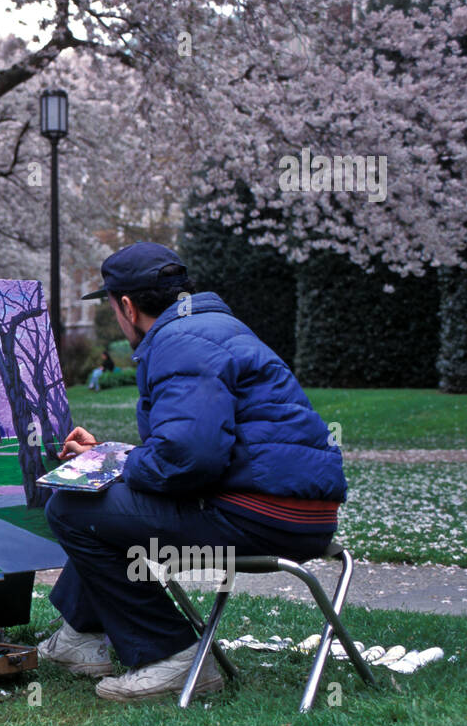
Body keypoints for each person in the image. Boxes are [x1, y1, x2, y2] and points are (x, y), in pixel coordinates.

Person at [37, 242, 345, 702]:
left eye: (114, 308)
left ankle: (171, 657)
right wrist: (109, 457)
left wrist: (117, 465)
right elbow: (196, 446)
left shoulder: (180, 341)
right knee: (95, 496)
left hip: (261, 515)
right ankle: (81, 637)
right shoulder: (215, 329)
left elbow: (189, 459)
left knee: (71, 506)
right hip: (295, 510)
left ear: (126, 305)